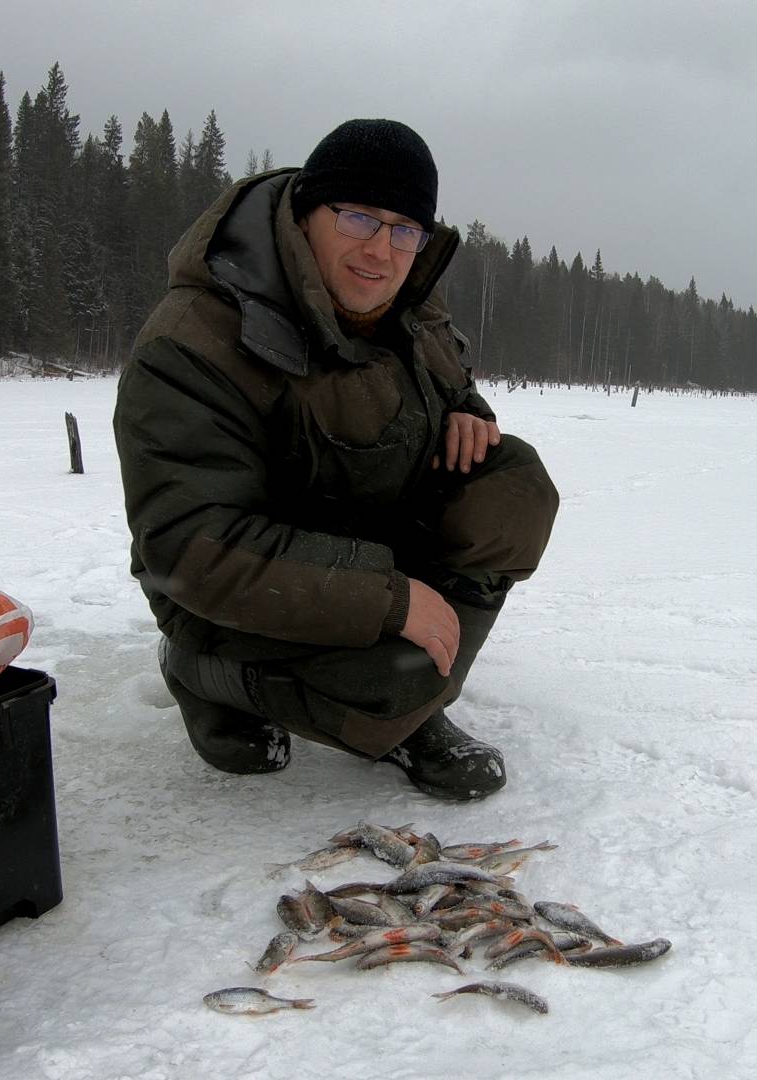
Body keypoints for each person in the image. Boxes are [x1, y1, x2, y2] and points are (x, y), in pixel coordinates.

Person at [114, 119, 559, 800]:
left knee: (511, 493)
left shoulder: (409, 301)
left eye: (404, 228)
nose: (382, 250)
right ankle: (203, 673)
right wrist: (387, 599)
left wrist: (467, 407)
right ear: (305, 212)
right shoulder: (194, 341)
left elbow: (443, 374)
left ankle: (408, 711)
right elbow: (191, 547)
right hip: (223, 595)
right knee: (398, 671)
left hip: (355, 535)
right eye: (358, 218)